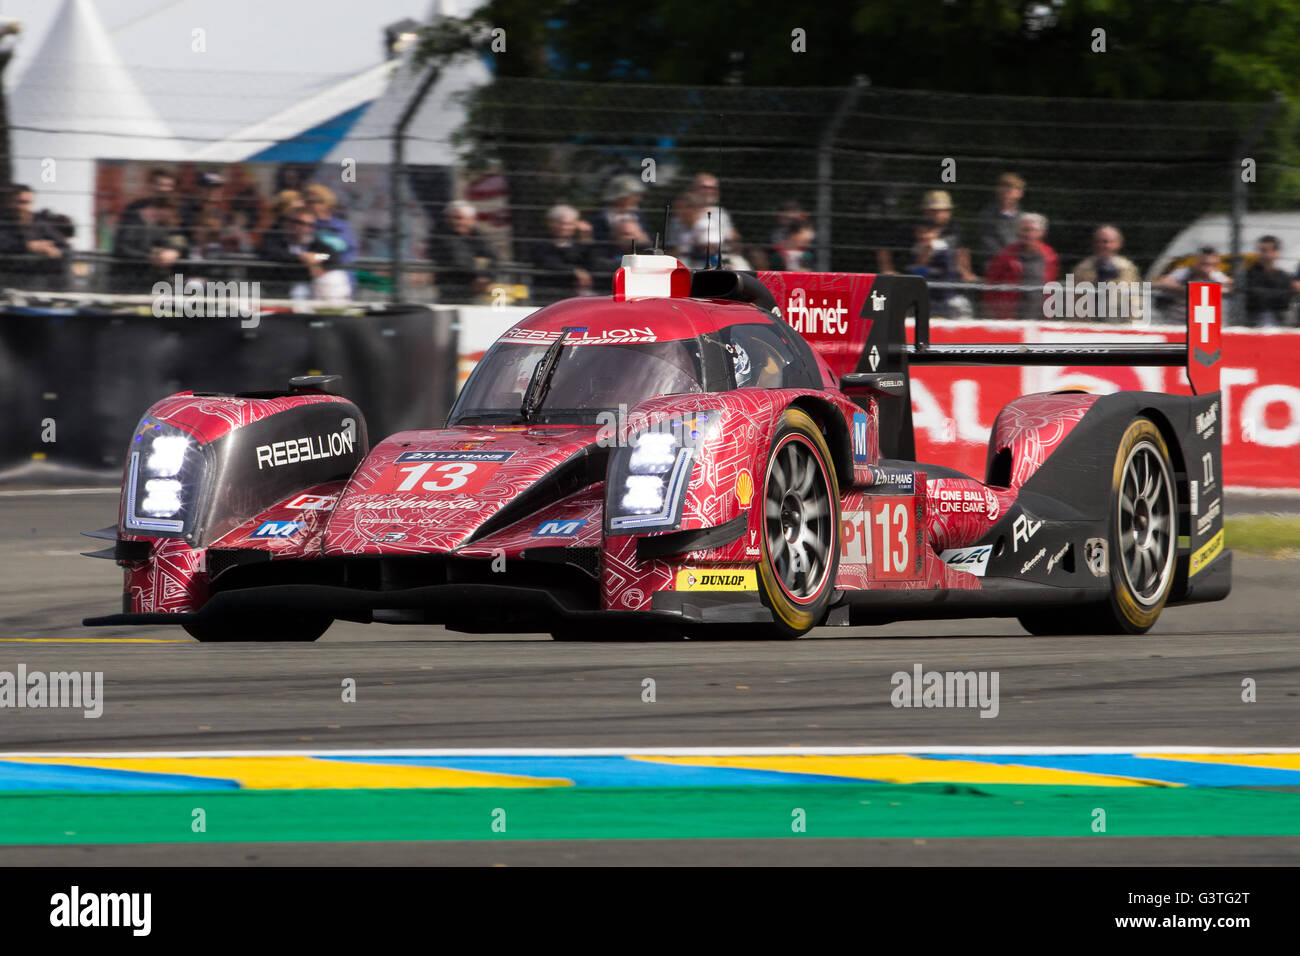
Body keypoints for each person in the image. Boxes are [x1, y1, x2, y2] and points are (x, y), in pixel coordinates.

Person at [983, 212, 1058, 320]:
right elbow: (990, 285)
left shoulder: (1050, 256)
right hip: (1011, 316)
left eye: (1032, 230)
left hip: (1040, 316)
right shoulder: (1005, 255)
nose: (1028, 234)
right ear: (1018, 232)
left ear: (1041, 233)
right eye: (1024, 230)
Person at [110, 196, 188, 293]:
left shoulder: (155, 227)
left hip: (146, 280)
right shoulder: (133, 224)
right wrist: (148, 257)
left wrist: (173, 251)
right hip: (129, 280)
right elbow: (123, 248)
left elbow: (168, 242)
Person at [0, 185, 68, 291]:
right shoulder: (4, 222)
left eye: (28, 202)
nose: (23, 207)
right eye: (20, 202)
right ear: (11, 202)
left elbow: (65, 247)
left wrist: (56, 252)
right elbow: (3, 244)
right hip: (7, 284)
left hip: (36, 287)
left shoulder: (39, 224)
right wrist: (28, 246)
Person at [427, 200, 497, 303]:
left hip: (474, 290)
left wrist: (485, 276)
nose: (456, 222)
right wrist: (478, 273)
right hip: (452, 288)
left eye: (459, 218)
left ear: (471, 220)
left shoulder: (477, 237)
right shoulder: (442, 236)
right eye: (451, 218)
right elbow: (458, 259)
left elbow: (492, 258)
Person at [1072, 224, 1143, 322]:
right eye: (1099, 241)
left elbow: (1134, 298)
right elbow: (1074, 299)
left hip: (1117, 322)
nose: (1103, 246)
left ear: (1118, 243)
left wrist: (1132, 322)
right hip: (1089, 322)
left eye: (1107, 242)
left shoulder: (1127, 268)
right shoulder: (1083, 268)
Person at [532, 204, 597, 303]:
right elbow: (549, 263)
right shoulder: (541, 242)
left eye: (570, 224)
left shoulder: (578, 244)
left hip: (579, 293)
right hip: (551, 292)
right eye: (561, 224)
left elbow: (593, 262)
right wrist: (575, 271)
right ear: (551, 223)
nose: (565, 228)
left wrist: (586, 238)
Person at [975, 173, 1025, 270]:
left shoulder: (1024, 218)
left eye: (1011, 188)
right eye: (1003, 187)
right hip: (995, 265)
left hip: (1020, 265)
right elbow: (988, 243)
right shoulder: (987, 215)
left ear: (1020, 193)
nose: (1006, 192)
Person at [1243, 235, 1292, 328]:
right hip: (1253, 321)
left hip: (1280, 321)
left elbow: (1285, 300)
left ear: (1277, 252)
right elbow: (1252, 298)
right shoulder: (1248, 275)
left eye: (1269, 250)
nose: (1266, 255)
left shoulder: (1283, 276)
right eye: (1262, 250)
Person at [589, 175, 651, 245]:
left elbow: (649, 240)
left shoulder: (639, 216)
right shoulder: (600, 219)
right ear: (621, 196)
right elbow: (598, 243)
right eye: (635, 195)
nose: (638, 199)